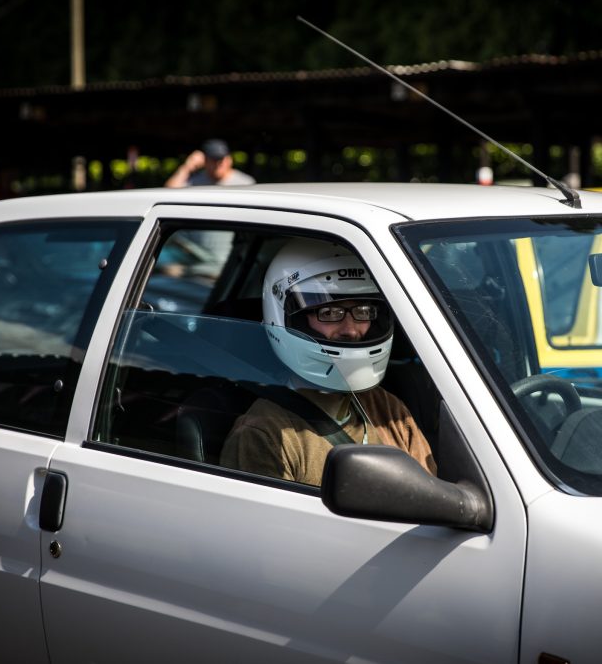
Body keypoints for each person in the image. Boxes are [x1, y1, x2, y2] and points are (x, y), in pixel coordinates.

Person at [220, 238, 436, 486]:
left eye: (363, 311)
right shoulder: (265, 434)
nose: (351, 330)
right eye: (330, 312)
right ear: (292, 318)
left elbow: (428, 497)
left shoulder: (387, 410)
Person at [164, 138, 256, 188]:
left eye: (221, 159)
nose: (218, 163)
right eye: (214, 159)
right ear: (205, 161)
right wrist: (187, 167)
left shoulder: (246, 183)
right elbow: (169, 191)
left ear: (229, 160)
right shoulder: (195, 182)